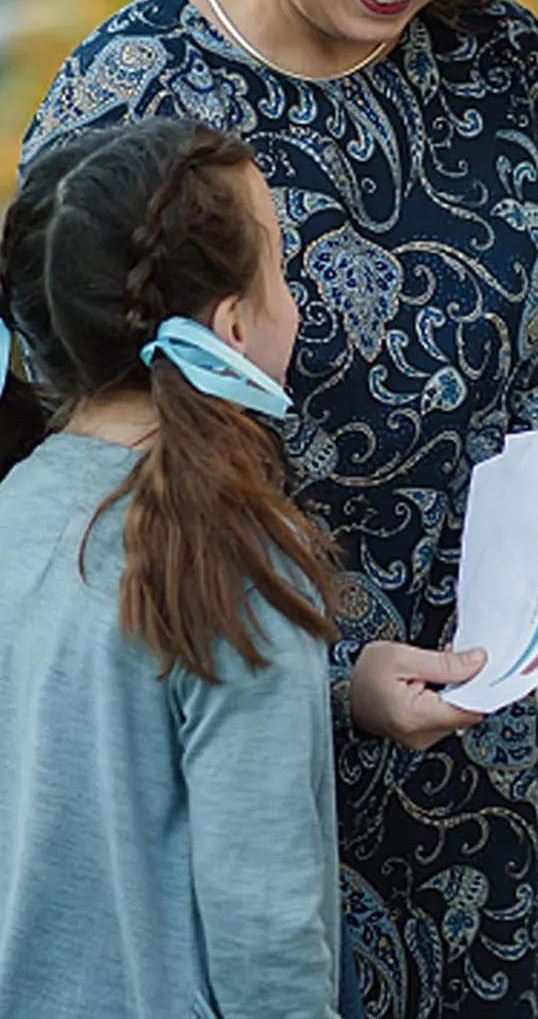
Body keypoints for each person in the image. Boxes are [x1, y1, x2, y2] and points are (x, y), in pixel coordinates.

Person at [22, 0, 538, 1018]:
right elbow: (65, 471)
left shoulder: (493, 61)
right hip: (215, 758)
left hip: (468, 756)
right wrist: (326, 672)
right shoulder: (132, 102)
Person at [0, 119, 346, 1017]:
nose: (294, 301)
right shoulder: (236, 562)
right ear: (233, 323)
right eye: (279, 266)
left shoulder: (14, 512)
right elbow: (264, 929)